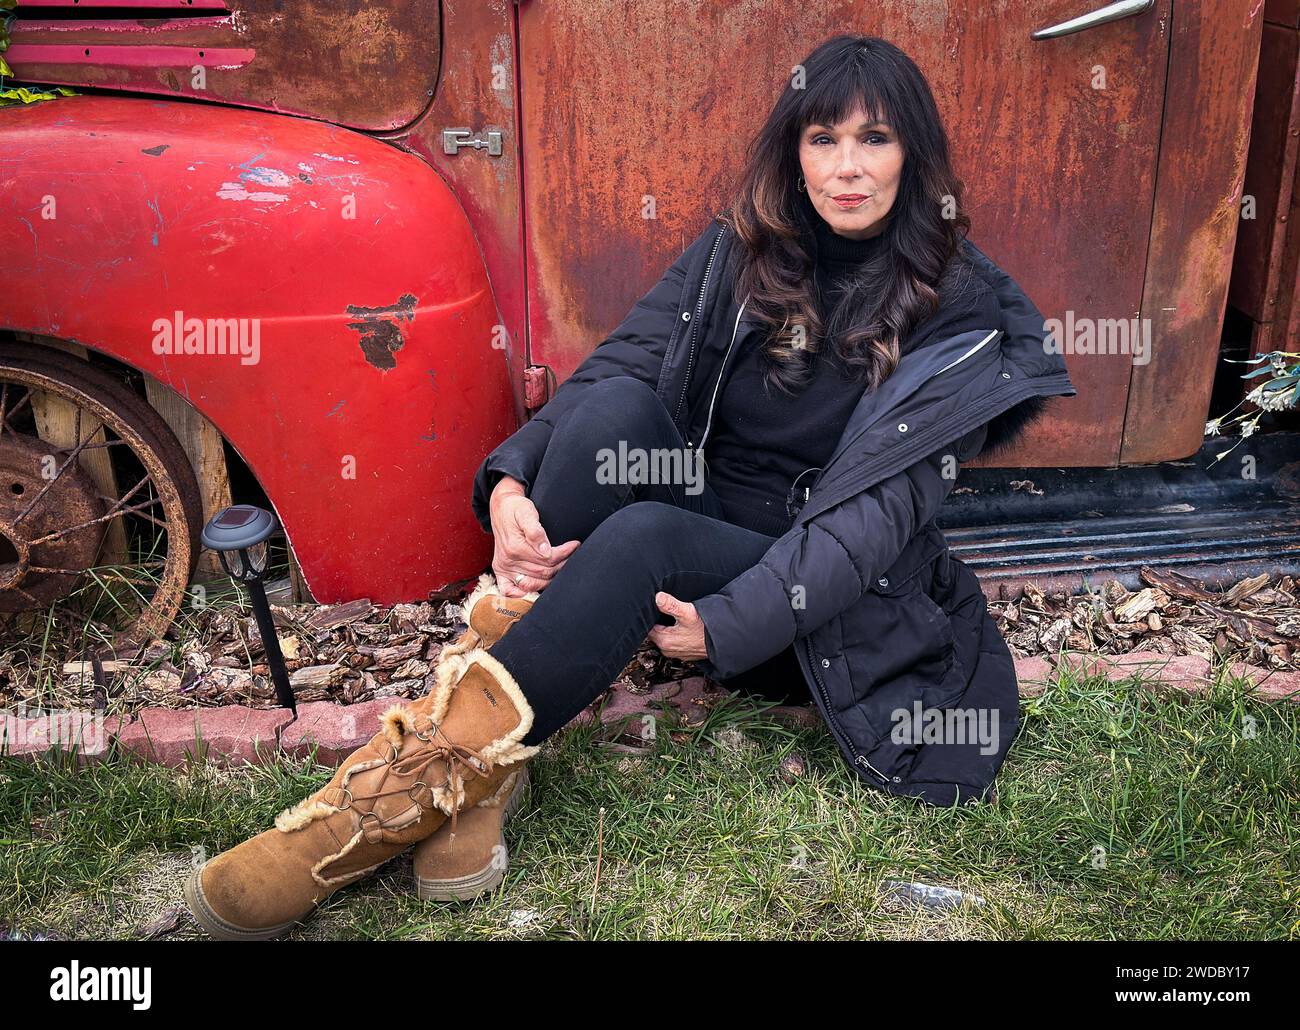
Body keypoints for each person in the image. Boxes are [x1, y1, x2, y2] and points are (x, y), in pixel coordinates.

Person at [185, 34, 1074, 940]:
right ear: (792, 152)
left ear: (914, 157)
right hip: (707, 530)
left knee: (647, 530)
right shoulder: (745, 251)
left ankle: (357, 822)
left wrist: (732, 624)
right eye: (822, 139)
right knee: (613, 419)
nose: (847, 168)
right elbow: (624, 366)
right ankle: (485, 769)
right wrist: (510, 482)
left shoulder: (960, 309)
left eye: (874, 140)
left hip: (814, 604)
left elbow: (872, 522)